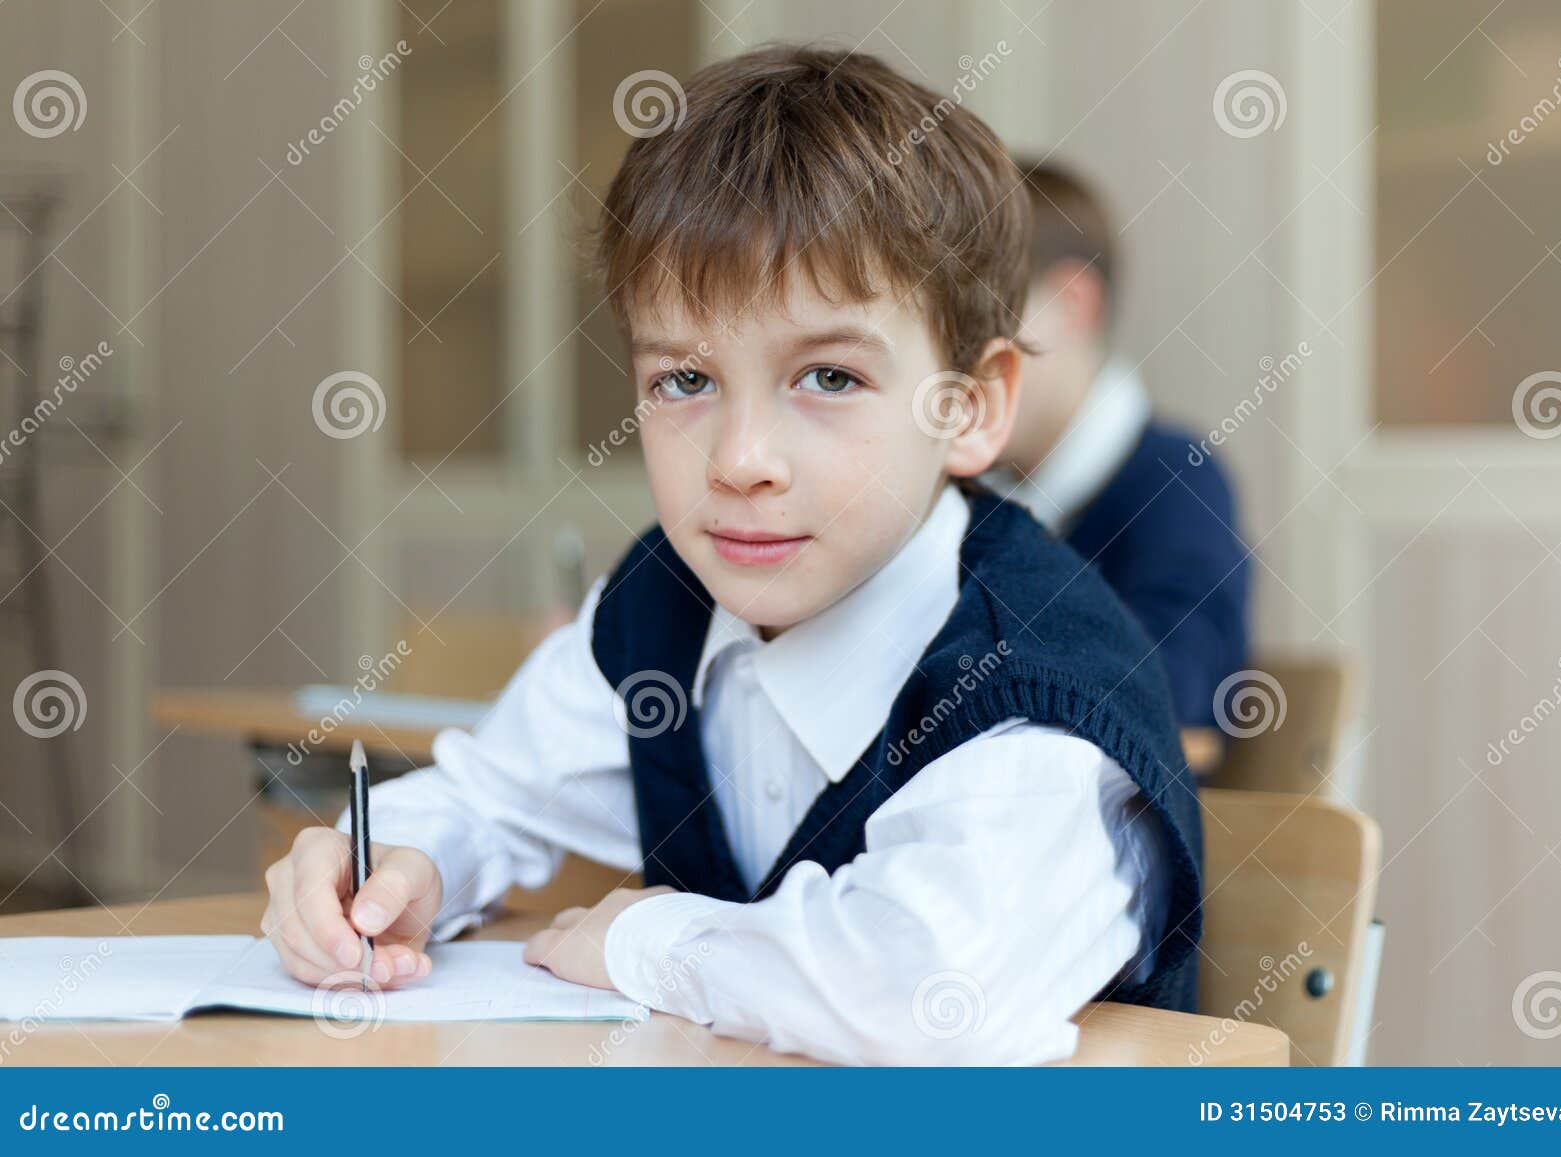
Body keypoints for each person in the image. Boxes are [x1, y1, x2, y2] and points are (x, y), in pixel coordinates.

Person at [259, 45, 1201, 1066]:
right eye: (683, 381)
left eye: (829, 377)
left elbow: (925, 994)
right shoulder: (663, 604)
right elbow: (491, 792)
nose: (741, 460)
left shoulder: (1034, 692)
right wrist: (398, 864)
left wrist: (642, 937)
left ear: (970, 410)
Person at [992, 160, 1250, 729]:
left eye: (979, 312)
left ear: (1071, 305)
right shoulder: (973, 494)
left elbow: (1173, 690)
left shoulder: (1177, 481)